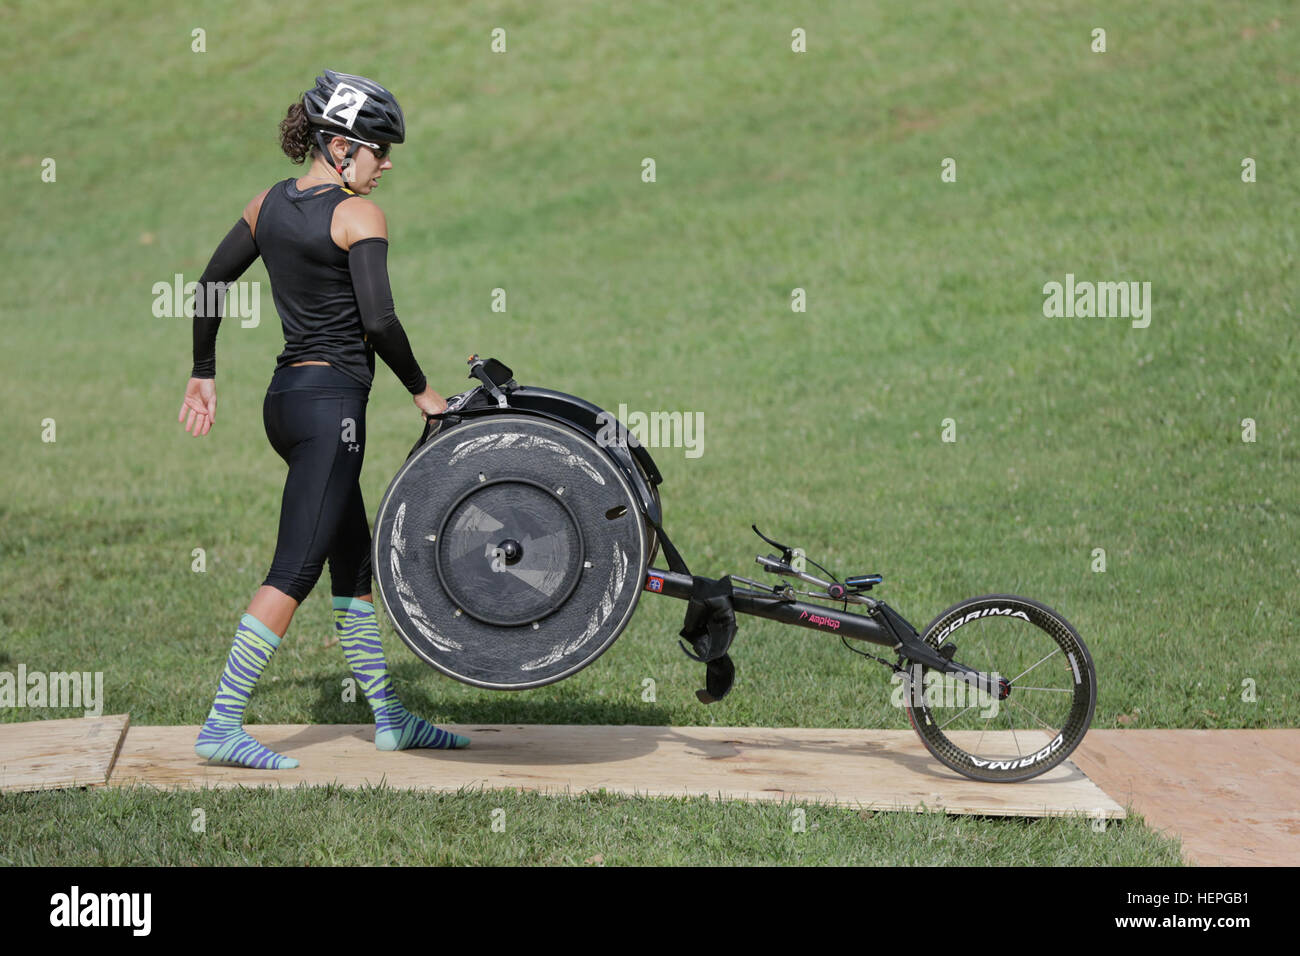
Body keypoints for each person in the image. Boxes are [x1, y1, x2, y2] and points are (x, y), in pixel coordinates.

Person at [178, 70, 468, 769]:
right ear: (340, 147)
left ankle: (390, 717)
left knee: (351, 560)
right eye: (379, 149)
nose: (387, 162)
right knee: (296, 568)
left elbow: (211, 283)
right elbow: (381, 320)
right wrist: (424, 392)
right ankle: (221, 725)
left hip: (287, 405)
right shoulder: (359, 216)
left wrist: (203, 372)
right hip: (335, 408)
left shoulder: (266, 205)